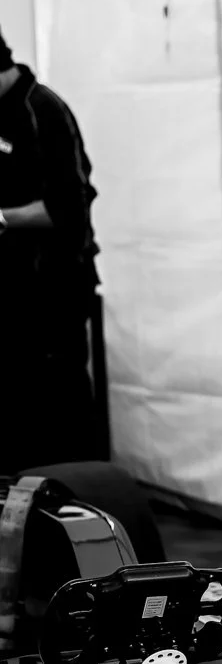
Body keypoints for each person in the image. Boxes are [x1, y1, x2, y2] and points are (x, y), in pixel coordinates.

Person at [0, 32, 99, 466]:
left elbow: (68, 208)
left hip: (53, 293)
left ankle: (69, 513)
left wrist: (3, 217)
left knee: (57, 417)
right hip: (13, 295)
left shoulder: (43, 110)